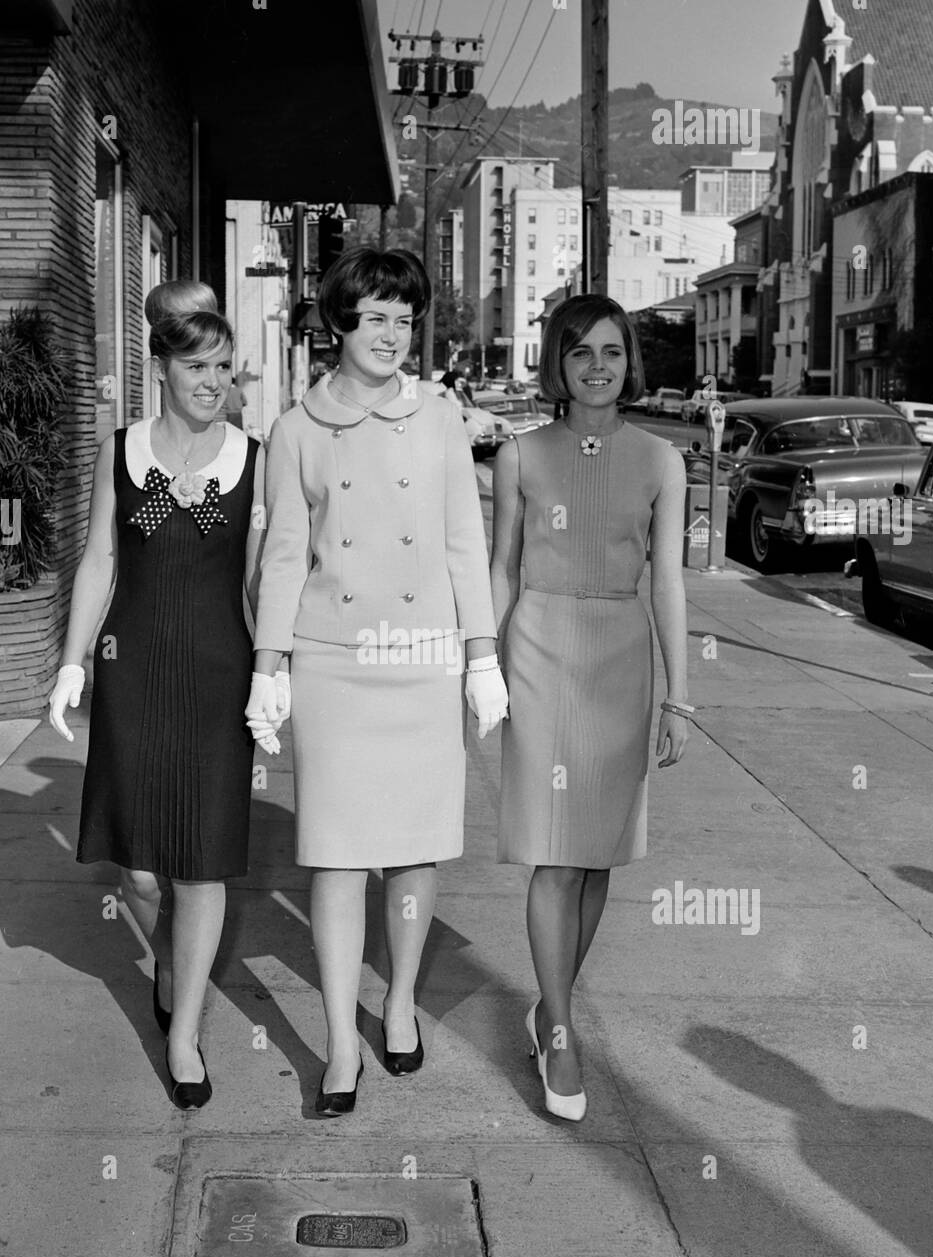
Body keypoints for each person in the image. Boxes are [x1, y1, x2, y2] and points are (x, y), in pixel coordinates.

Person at [247, 247, 508, 1117]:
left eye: (405, 318)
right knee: (332, 856)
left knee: (412, 848)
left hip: (421, 656)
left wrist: (480, 654)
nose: (393, 334)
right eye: (376, 317)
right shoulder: (294, 428)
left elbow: (463, 542)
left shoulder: (440, 416)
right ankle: (336, 1041)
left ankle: (397, 1002)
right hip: (332, 660)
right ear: (339, 322)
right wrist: (269, 665)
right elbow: (284, 554)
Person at [48, 302, 283, 1109]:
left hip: (219, 672)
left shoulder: (254, 457)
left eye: (224, 367)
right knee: (144, 871)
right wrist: (72, 662)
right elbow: (99, 559)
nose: (213, 382)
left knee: (205, 862)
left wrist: (274, 672)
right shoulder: (122, 452)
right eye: (197, 368)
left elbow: (260, 580)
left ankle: (183, 1036)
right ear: (161, 368)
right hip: (133, 667)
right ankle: (169, 953)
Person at [490, 293, 690, 1122]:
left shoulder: (660, 461)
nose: (598, 366)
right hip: (537, 646)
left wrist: (680, 694)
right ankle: (562, 1031)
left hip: (618, 651)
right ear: (558, 364)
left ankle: (549, 1005)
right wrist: (483, 665)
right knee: (553, 851)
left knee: (598, 853)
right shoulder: (520, 455)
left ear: (627, 362)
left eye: (611, 351)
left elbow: (669, 579)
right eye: (580, 353)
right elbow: (502, 566)